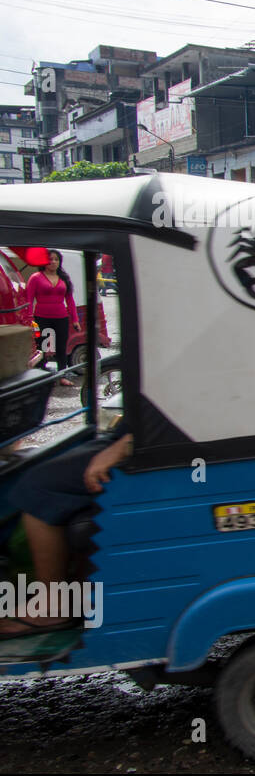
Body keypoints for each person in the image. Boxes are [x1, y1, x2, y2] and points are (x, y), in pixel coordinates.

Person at [1, 427, 132, 637]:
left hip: (151, 437)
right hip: (138, 429)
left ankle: (53, 606)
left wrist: (126, 443)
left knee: (37, 489)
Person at [28, 248, 82, 387]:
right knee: (43, 347)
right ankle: (40, 375)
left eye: (56, 259)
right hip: (41, 317)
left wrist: (75, 320)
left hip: (61, 317)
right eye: (50, 259)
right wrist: (29, 319)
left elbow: (69, 300)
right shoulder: (36, 277)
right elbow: (29, 299)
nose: (53, 262)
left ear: (59, 262)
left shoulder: (64, 278)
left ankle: (62, 375)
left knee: (61, 347)